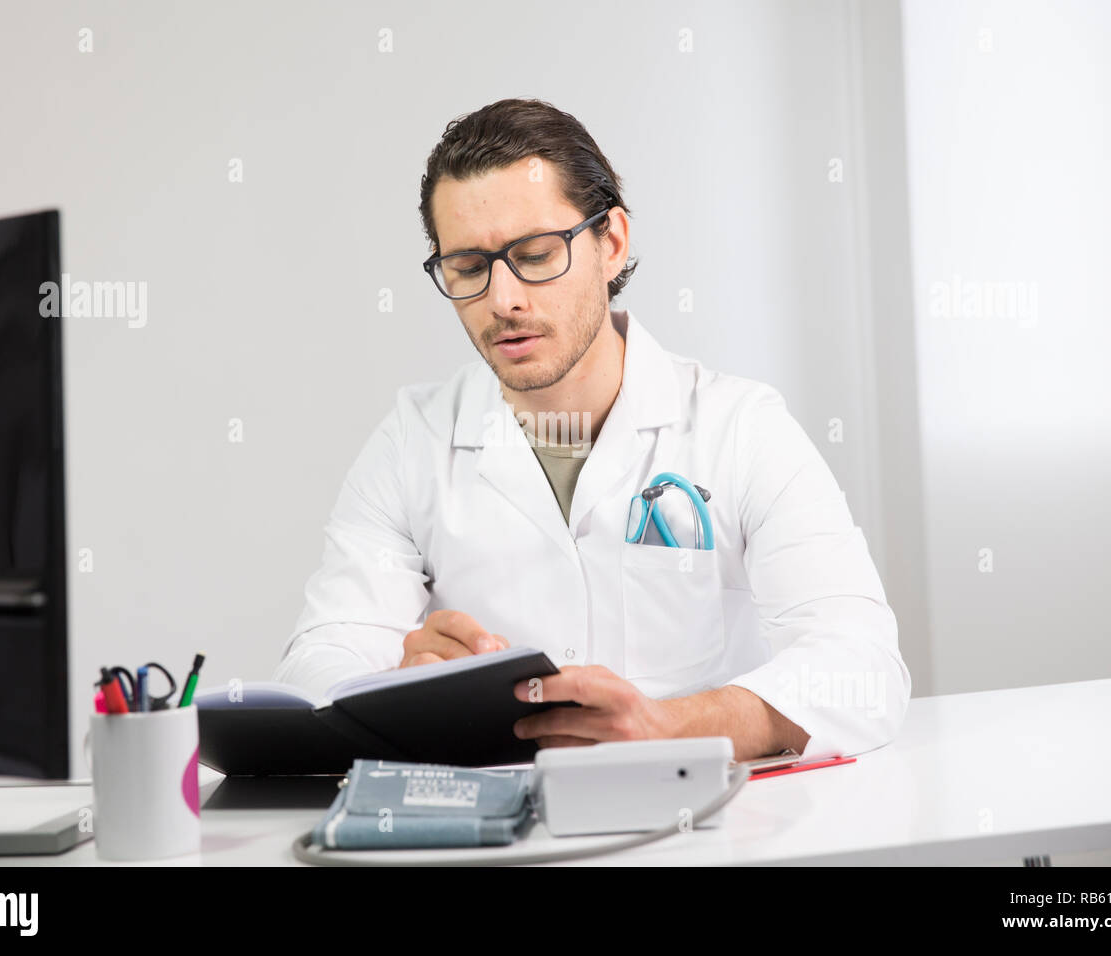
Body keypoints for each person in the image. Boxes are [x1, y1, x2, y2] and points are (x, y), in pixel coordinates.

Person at [274, 98, 910, 761]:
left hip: (712, 839)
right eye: (467, 267)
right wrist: (393, 691)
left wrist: (669, 727)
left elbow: (862, 673)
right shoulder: (413, 442)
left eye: (537, 254)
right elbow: (316, 665)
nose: (503, 300)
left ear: (611, 243)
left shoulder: (742, 430)